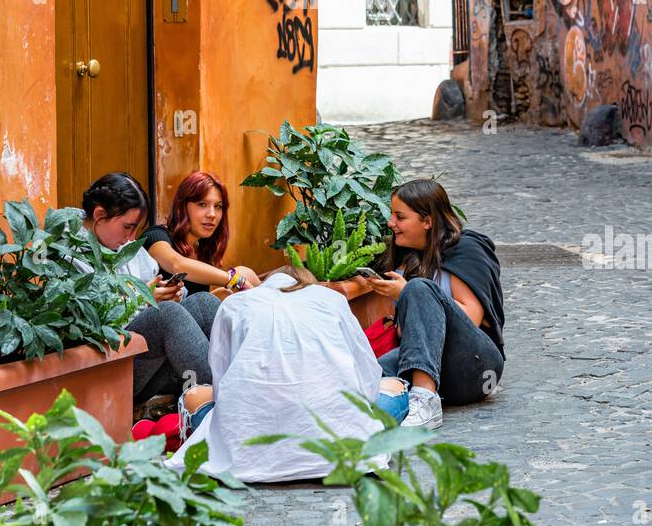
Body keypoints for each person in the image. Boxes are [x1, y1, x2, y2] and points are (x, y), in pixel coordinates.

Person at [169, 261, 409, 483]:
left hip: (244, 458)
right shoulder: (332, 299)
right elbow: (367, 375)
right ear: (307, 284)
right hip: (344, 453)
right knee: (395, 387)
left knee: (193, 396)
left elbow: (221, 383)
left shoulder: (235, 303)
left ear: (269, 282)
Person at [82, 171, 252, 406]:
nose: (132, 237)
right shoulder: (72, 256)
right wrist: (143, 300)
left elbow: (157, 284)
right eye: (128, 227)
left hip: (157, 364)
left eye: (218, 207)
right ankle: (236, 403)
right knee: (167, 315)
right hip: (113, 370)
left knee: (203, 301)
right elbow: (90, 322)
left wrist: (172, 292)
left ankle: (253, 379)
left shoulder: (130, 246)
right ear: (99, 215)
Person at [367, 179, 505, 431]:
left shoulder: (466, 248)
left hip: (474, 366)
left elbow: (471, 318)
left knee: (419, 288)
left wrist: (407, 292)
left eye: (400, 217)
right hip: (431, 365)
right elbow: (410, 336)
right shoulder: (406, 257)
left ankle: (425, 399)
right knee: (364, 374)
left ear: (427, 221)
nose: (391, 223)